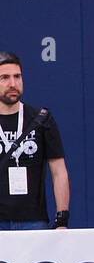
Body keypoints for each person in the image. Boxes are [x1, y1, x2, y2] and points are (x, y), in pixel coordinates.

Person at [0, 52, 70, 231]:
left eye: (17, 76)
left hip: (33, 219)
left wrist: (62, 219)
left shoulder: (41, 119)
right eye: (4, 78)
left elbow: (58, 171)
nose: (13, 84)